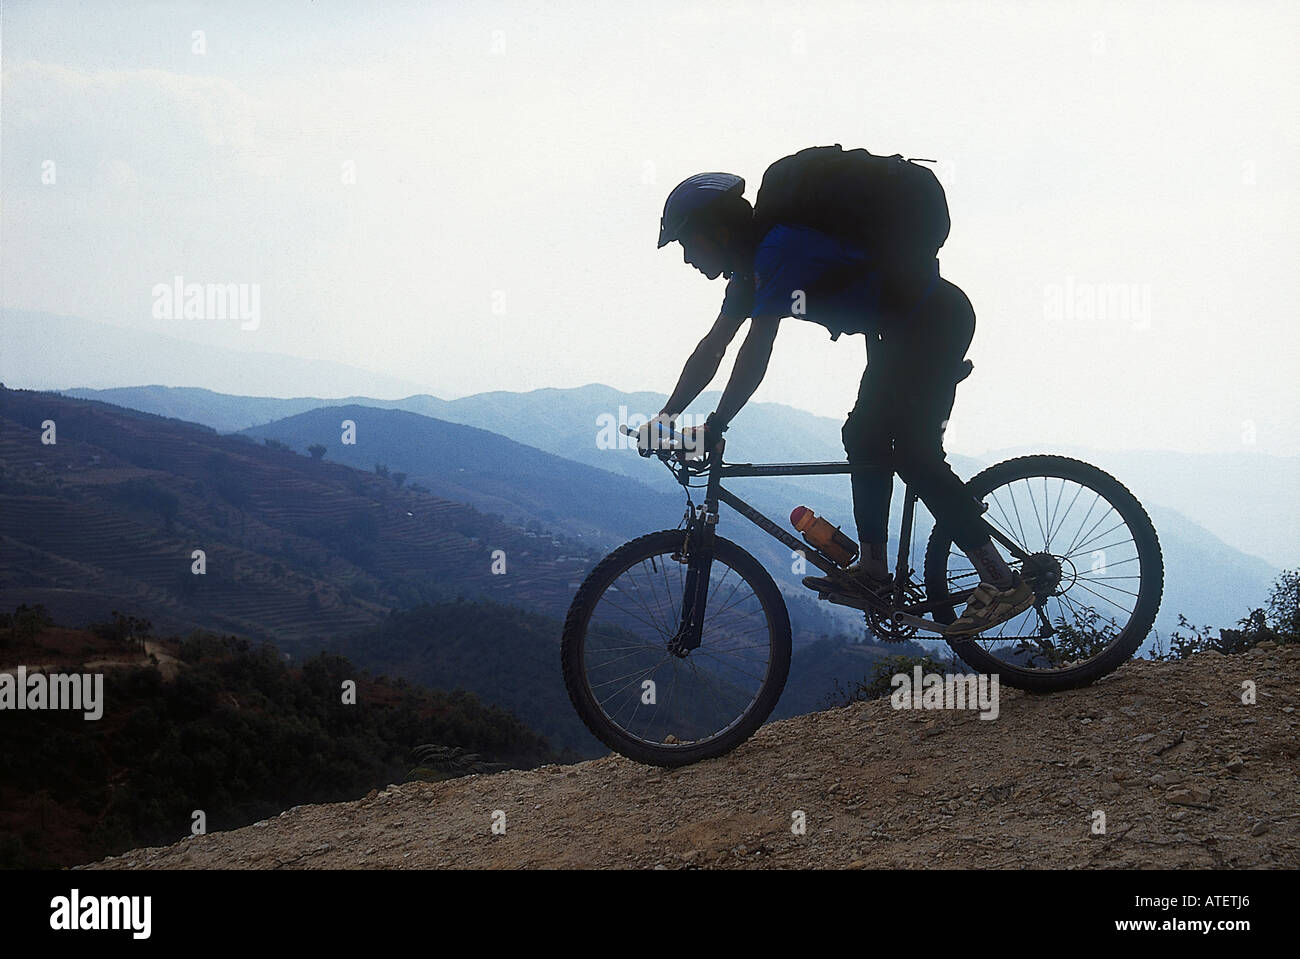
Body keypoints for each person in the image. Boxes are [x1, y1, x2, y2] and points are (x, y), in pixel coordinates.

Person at [643, 161, 1035, 635]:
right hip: (900, 332)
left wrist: (716, 424)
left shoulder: (777, 250)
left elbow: (755, 350)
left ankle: (1002, 579)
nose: (687, 258)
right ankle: (872, 568)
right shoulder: (751, 273)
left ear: (718, 229)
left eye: (687, 242)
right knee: (862, 436)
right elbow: (714, 346)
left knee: (912, 453)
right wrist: (666, 417)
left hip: (932, 325)